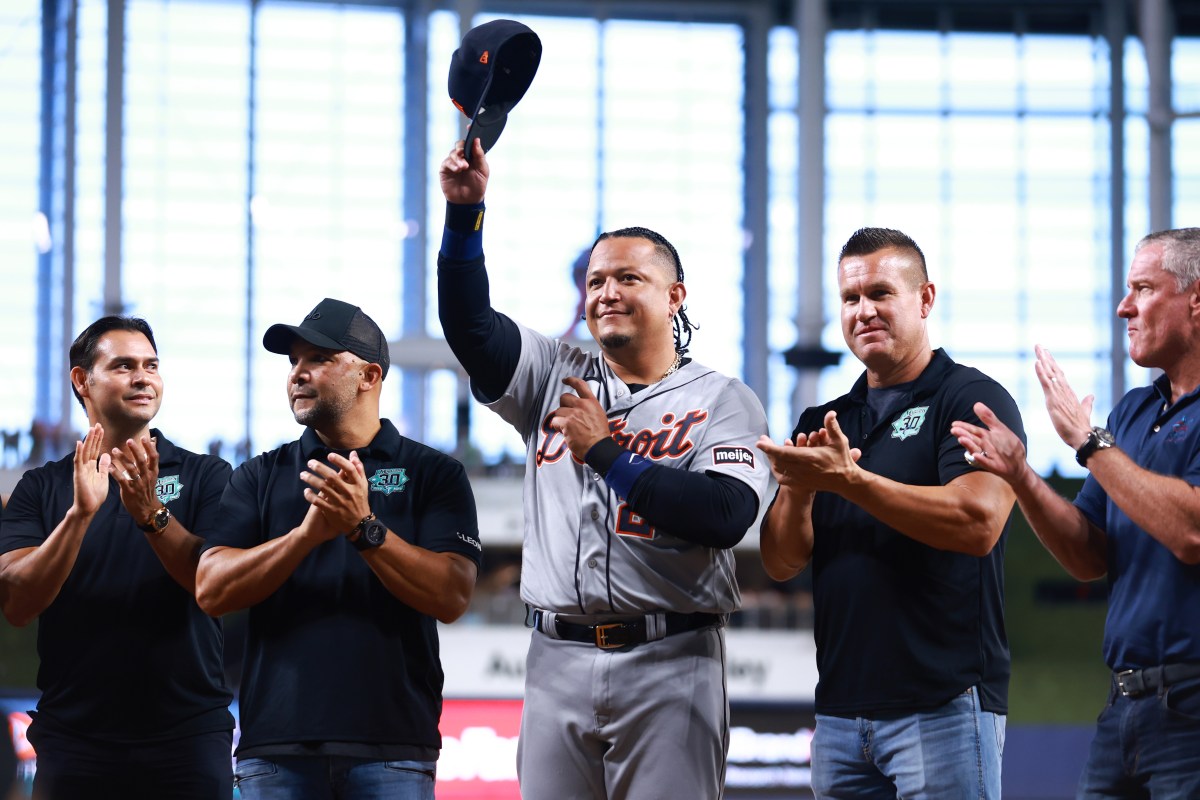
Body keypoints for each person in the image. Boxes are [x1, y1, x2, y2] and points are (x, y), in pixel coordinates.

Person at [437, 138, 772, 800]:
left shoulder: (722, 399)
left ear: (675, 295)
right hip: (555, 656)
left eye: (628, 279)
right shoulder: (551, 374)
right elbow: (469, 326)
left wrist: (607, 454)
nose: (607, 293)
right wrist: (464, 215)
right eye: (596, 281)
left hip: (672, 657)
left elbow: (724, 515)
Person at [757, 227, 1024, 799]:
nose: (864, 311)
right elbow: (781, 562)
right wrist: (801, 489)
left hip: (943, 704)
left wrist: (850, 482)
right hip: (839, 715)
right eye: (851, 299)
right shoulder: (825, 418)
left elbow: (977, 523)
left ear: (925, 298)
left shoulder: (972, 398)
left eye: (881, 293)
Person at [194, 297, 481, 800]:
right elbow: (211, 589)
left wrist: (364, 529)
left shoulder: (435, 472)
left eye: (319, 359)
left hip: (394, 748)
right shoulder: (259, 475)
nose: (298, 374)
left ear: (369, 376)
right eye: (294, 362)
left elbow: (452, 595)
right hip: (275, 749)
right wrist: (305, 537)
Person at [950, 227, 1200, 798]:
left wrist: (1090, 444)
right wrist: (1020, 476)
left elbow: (1190, 531)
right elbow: (1088, 554)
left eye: (1142, 287)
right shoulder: (1135, 411)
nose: (1123, 306)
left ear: (1197, 298)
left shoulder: (1108, 436)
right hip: (1124, 707)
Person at [0, 316, 235, 800]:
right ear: (82, 380)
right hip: (75, 740)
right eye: (124, 366)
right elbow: (18, 603)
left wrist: (152, 514)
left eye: (151, 365)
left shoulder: (209, 475)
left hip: (187, 738)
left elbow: (215, 587)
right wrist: (80, 515)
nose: (143, 377)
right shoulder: (41, 487)